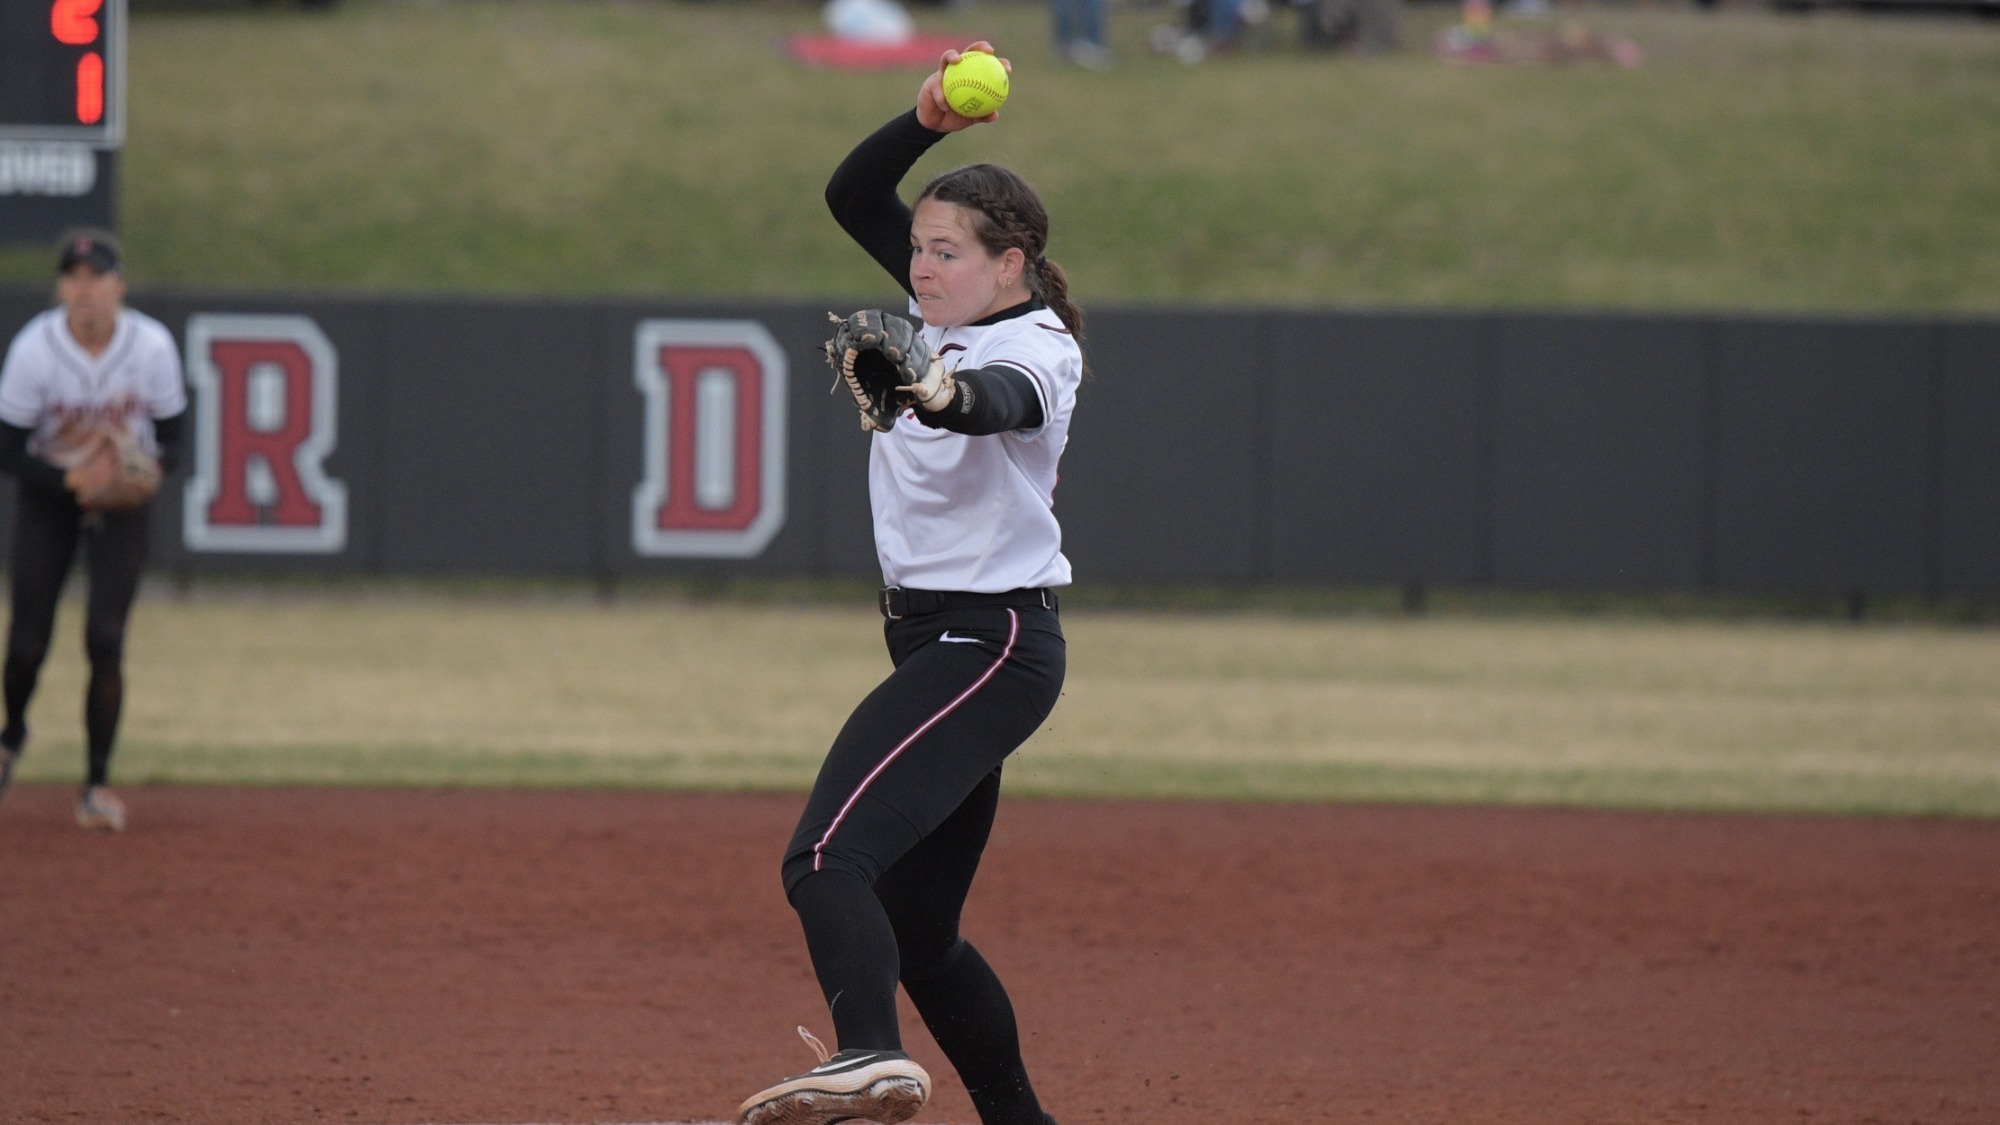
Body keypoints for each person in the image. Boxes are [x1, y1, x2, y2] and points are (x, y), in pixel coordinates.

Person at [734, 42, 1082, 1125]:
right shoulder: (947, 319)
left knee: (827, 856)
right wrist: (926, 115)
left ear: (1009, 263)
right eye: (919, 249)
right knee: (922, 932)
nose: (923, 268)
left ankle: (867, 1056)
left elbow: (992, 407)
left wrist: (931, 389)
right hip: (940, 644)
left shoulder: (1036, 347)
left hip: (992, 647)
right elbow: (848, 194)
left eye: (947, 252)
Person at [0, 230, 187, 831]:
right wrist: (72, 483)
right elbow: (7, 447)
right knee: (28, 640)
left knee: (106, 638)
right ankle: (11, 735)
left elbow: (174, 434)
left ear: (119, 287)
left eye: (96, 276)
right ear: (61, 288)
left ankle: (96, 783)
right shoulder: (36, 349)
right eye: (73, 277)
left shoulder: (151, 347)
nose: (84, 289)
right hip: (49, 495)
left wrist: (144, 474)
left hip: (122, 502)